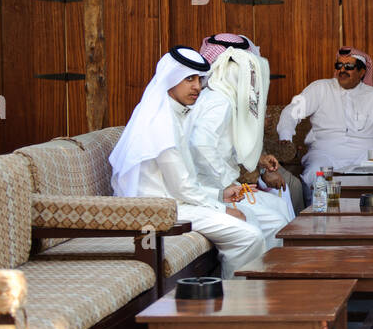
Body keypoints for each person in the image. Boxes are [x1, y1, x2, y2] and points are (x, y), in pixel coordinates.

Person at [109, 46, 266, 278]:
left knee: (248, 217)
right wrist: (221, 208)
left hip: (173, 202)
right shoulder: (160, 120)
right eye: (188, 79)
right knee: (248, 237)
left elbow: (181, 183)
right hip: (158, 209)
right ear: (171, 79)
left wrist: (219, 195)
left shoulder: (173, 112)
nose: (197, 87)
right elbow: (180, 186)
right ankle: (235, 304)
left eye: (199, 79)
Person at [187, 33, 295, 251]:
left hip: (219, 187)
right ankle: (262, 277)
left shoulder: (224, 98)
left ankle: (278, 273)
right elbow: (201, 144)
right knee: (276, 221)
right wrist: (226, 183)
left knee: (279, 204)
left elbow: (224, 146)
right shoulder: (219, 100)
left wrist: (259, 159)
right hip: (210, 190)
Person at [277, 47, 373, 194]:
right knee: (315, 172)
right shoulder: (320, 88)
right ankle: (317, 215)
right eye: (339, 65)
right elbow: (291, 112)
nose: (342, 70)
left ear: (362, 72)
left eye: (349, 66)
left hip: (367, 153)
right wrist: (285, 138)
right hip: (325, 153)